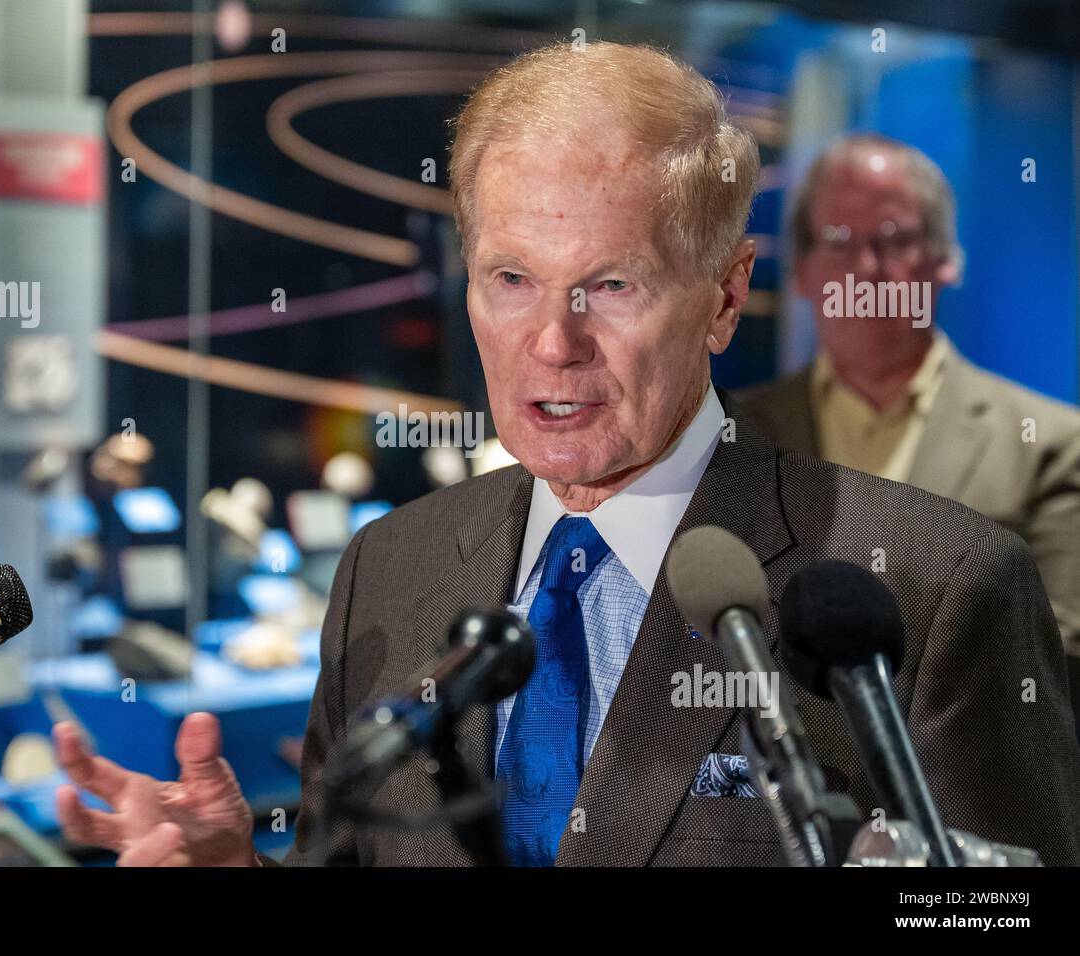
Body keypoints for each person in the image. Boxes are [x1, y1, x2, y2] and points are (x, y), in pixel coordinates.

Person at [54, 42, 1080, 867]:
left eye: (613, 285)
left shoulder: (934, 587)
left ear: (725, 296)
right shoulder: (390, 569)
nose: (552, 341)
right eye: (511, 277)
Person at [738, 133, 1080, 707]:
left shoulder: (1052, 445)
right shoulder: (734, 434)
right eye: (840, 241)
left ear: (946, 260)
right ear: (800, 270)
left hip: (962, 787)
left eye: (895, 239)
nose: (867, 270)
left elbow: (1055, 660)